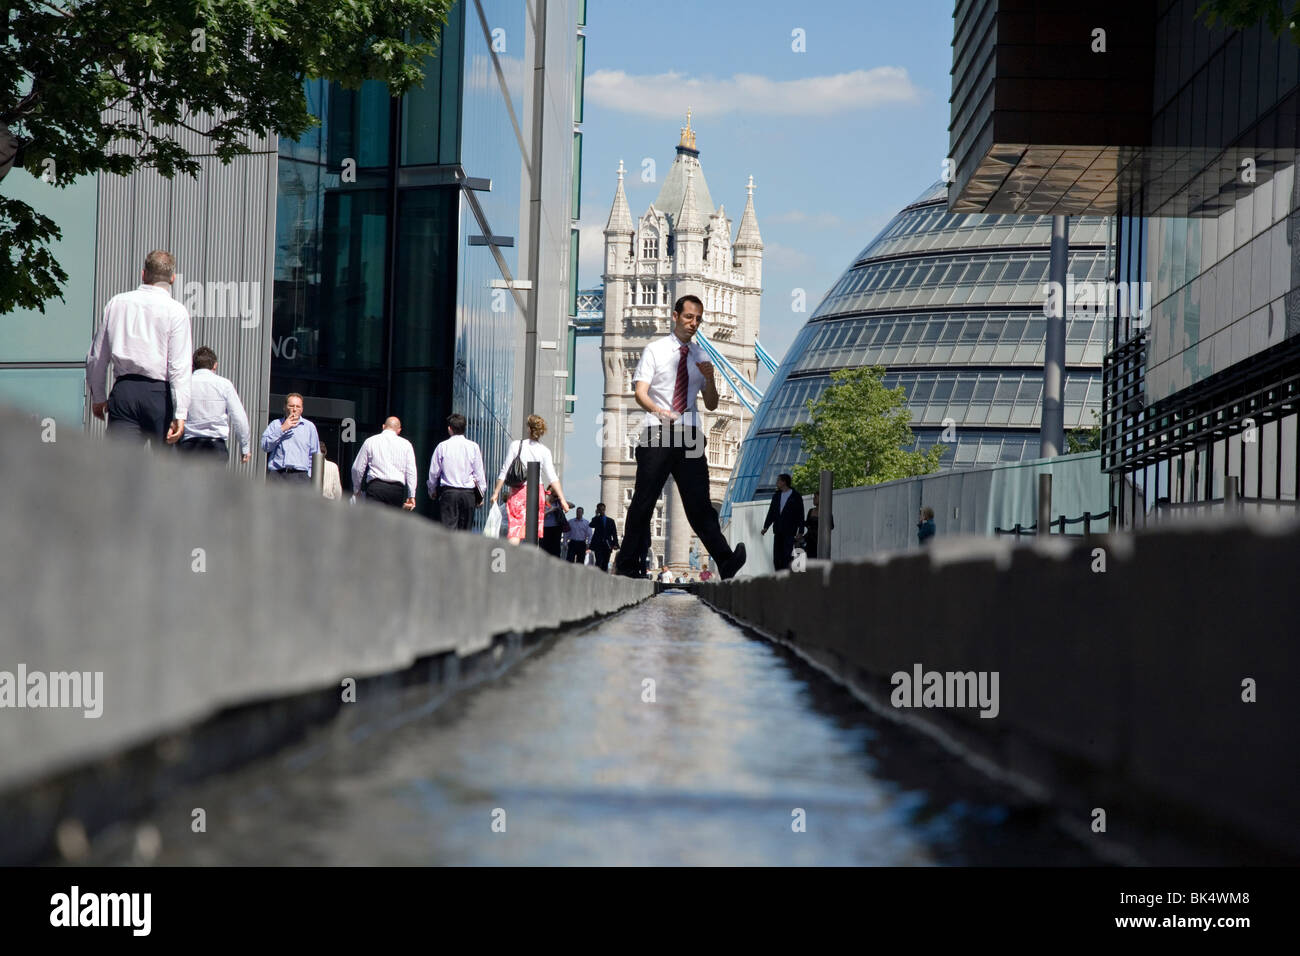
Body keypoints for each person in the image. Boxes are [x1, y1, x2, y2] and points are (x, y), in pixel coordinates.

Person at [613, 294, 747, 580]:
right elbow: (640, 392)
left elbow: (710, 404)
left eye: (698, 319)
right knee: (644, 502)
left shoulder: (700, 355)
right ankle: (626, 565)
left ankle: (725, 561)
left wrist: (710, 379)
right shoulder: (655, 350)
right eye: (688, 317)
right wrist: (660, 411)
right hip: (659, 431)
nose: (693, 323)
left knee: (700, 506)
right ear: (675, 317)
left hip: (689, 434)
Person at [86, 249, 192, 447]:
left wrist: (98, 396)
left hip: (124, 391)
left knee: (120, 467)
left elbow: (97, 356)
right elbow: (179, 366)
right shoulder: (177, 311)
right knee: (165, 468)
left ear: (143, 274)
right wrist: (180, 412)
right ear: (173, 279)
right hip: (159, 394)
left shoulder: (117, 303)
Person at [489, 414, 570, 545]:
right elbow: (553, 477)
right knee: (533, 530)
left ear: (528, 428)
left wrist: (496, 492)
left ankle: (513, 559)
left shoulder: (516, 445)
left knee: (515, 528)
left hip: (518, 492)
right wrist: (562, 499)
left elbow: (504, 470)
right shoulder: (544, 451)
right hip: (537, 492)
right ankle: (529, 559)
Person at [176, 346, 250, 465]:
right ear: (215, 365)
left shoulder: (185, 383)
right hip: (215, 448)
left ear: (193, 365)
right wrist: (244, 447)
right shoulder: (224, 385)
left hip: (190, 446)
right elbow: (239, 418)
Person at [427, 413, 487, 531]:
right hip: (468, 494)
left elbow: (434, 472)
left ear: (450, 428)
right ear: (465, 428)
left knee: (448, 531)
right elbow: (479, 473)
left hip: (449, 492)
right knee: (465, 531)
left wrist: (432, 489)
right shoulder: (473, 447)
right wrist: (480, 495)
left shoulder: (442, 446)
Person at [351, 417, 417, 510]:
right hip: (396, 491)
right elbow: (411, 472)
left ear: (383, 426)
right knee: (391, 523)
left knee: (373, 522)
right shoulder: (406, 445)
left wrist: (356, 490)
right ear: (399, 430)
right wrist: (411, 495)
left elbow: (357, 468)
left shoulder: (370, 441)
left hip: (375, 488)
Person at [261, 393, 319, 483]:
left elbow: (315, 454)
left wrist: (309, 476)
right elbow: (265, 446)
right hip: (277, 475)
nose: (294, 409)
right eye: (291, 406)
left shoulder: (309, 427)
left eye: (298, 406)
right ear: (285, 407)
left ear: (302, 409)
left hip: (300, 476)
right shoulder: (275, 424)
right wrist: (282, 429)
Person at [761, 473, 805, 572]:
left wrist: (800, 531)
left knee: (787, 556)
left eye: (778, 481)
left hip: (789, 531)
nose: (777, 483)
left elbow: (800, 514)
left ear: (784, 482)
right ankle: (778, 576)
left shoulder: (795, 496)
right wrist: (766, 527)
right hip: (778, 531)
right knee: (777, 558)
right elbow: (771, 512)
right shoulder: (776, 496)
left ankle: (786, 577)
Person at [589, 503, 620, 572]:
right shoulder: (596, 519)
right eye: (600, 509)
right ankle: (597, 576)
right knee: (598, 561)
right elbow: (591, 525)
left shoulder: (611, 521)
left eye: (603, 509)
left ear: (605, 509)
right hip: (598, 545)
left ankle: (603, 577)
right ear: (598, 510)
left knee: (605, 562)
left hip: (607, 545)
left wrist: (616, 544)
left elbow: (614, 534)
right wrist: (596, 515)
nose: (602, 511)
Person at [542, 489, 566, 557]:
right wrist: (550, 510)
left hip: (556, 528)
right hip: (546, 528)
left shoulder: (557, 503)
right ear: (550, 495)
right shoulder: (544, 504)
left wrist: (562, 501)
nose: (555, 498)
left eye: (557, 496)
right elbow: (540, 516)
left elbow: (572, 505)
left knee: (556, 549)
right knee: (546, 548)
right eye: (554, 496)